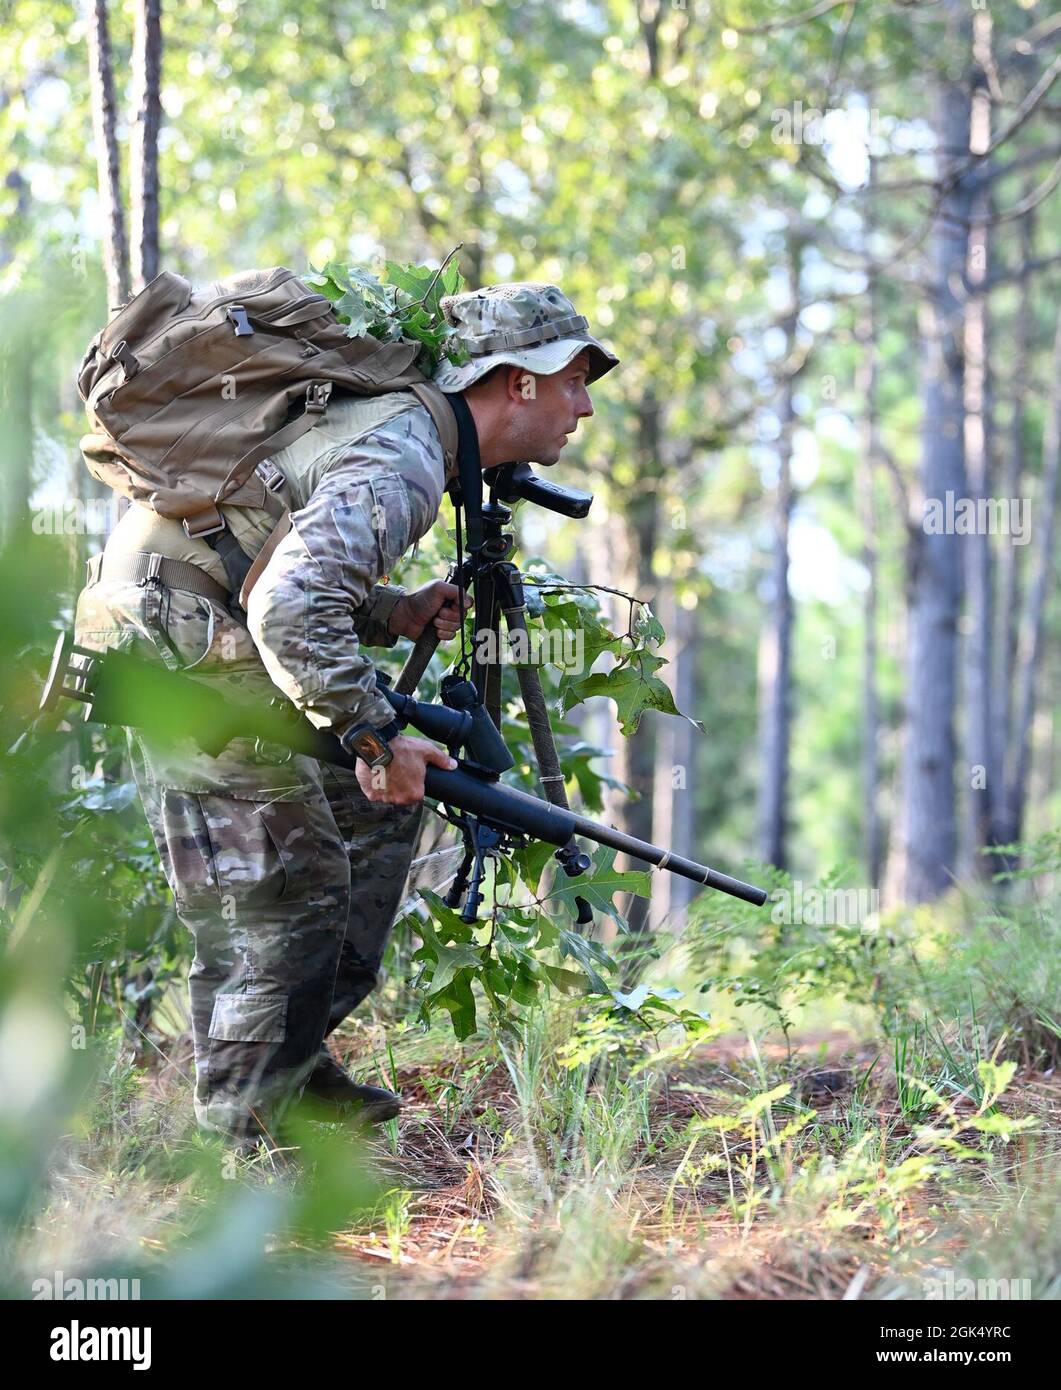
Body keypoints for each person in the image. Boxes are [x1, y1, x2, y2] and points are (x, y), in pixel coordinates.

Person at [73, 281, 618, 1146]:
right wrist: (375, 733)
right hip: (180, 650)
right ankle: (241, 1134)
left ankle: (285, 1065)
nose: (583, 406)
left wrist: (391, 610)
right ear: (518, 381)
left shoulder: (409, 438)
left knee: (371, 817)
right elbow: (289, 607)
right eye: (575, 381)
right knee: (287, 885)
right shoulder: (402, 452)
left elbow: (267, 553)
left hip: (206, 623)